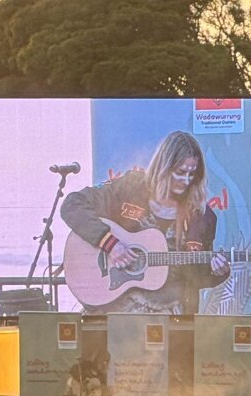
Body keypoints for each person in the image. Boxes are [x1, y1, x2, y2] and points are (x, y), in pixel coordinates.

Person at [59, 130, 230, 314]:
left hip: (173, 317)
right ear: (163, 167)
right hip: (115, 313)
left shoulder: (201, 216)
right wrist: (110, 243)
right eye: (180, 172)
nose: (186, 180)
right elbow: (72, 205)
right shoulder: (130, 187)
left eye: (192, 174)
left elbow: (195, 278)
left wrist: (216, 273)